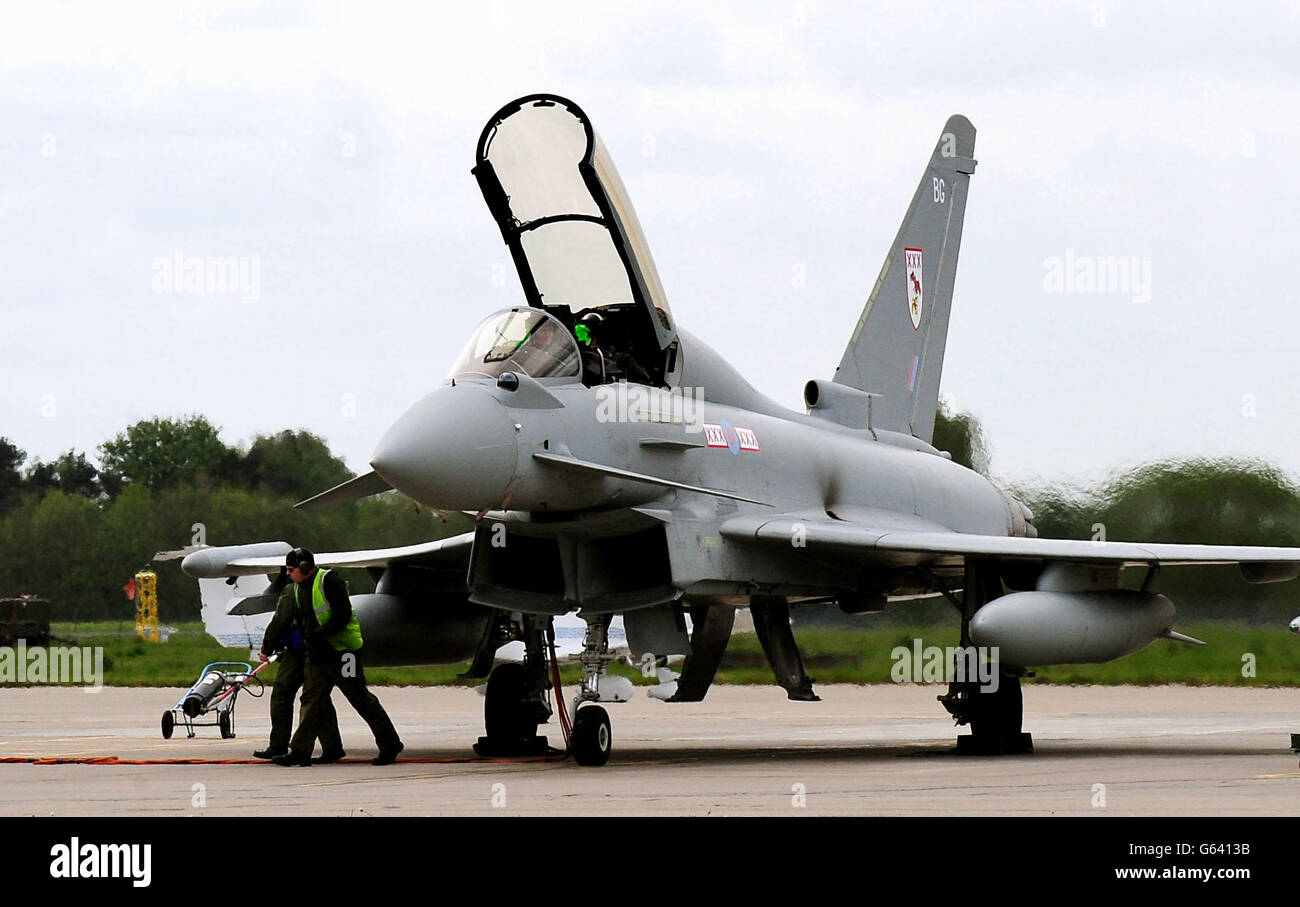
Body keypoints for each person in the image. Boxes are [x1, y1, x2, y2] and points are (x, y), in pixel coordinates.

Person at [271, 548, 404, 767]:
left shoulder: (329, 581)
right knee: (311, 700)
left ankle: (390, 743)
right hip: (318, 654)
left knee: (360, 698)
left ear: (304, 568)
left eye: (291, 569)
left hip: (343, 652)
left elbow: (342, 615)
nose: (288, 574)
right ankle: (300, 751)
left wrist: (319, 634)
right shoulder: (297, 588)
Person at [252, 584, 345, 763]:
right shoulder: (322, 584)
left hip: (301, 649)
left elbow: (281, 619)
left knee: (284, 693)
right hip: (315, 647)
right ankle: (332, 747)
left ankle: (280, 745)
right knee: (318, 698)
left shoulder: (291, 590)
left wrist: (268, 647)